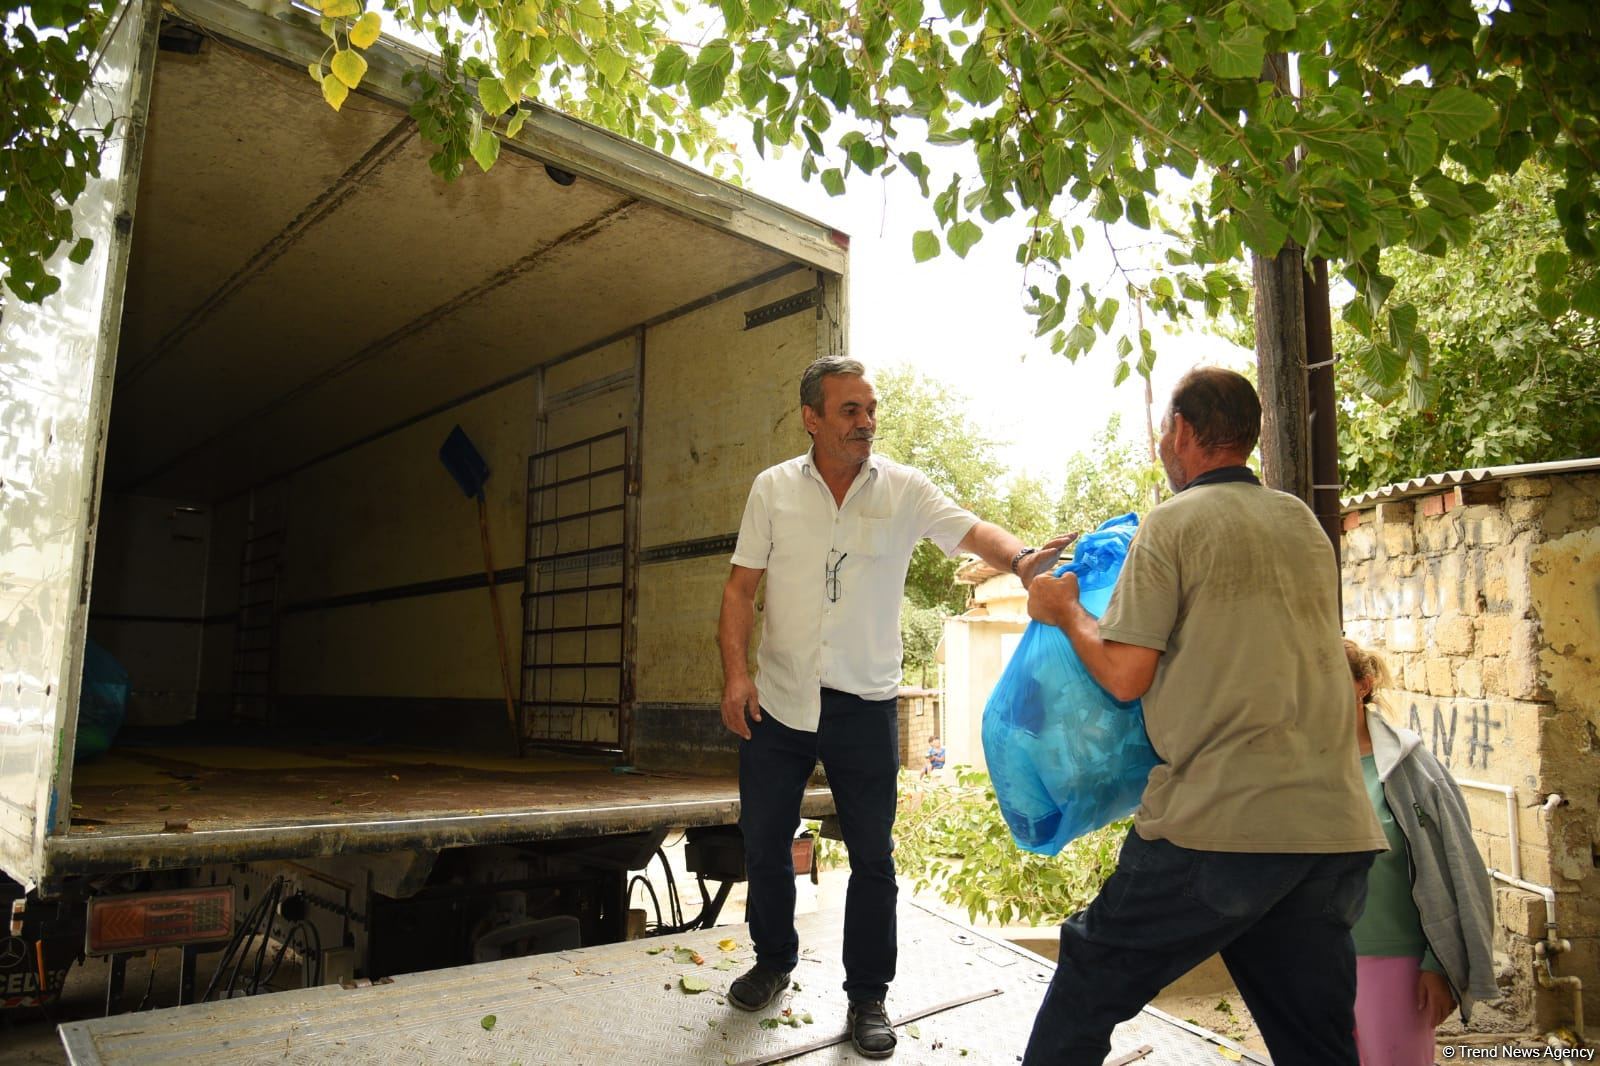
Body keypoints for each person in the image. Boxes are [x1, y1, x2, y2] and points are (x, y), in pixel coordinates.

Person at [1022, 366, 1386, 1064]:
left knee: (1090, 976)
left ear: (1183, 431)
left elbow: (1126, 677)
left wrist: (1065, 612)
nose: (1165, 440)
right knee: (1315, 1041)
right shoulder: (1301, 524)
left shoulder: (1175, 523)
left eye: (1166, 427)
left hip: (1222, 823)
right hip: (1328, 827)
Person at [718, 356, 1055, 1060]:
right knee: (765, 843)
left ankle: (868, 997)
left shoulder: (903, 490)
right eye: (849, 410)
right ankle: (773, 961)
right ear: (812, 417)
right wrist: (734, 677)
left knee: (874, 858)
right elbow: (739, 588)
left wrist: (1023, 562)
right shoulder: (773, 490)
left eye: (870, 409)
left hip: (865, 705)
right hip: (779, 701)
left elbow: (972, 531)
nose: (866, 421)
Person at [1344, 640, 1497, 1065]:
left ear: (1363, 686)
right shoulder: (1301, 768)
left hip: (1392, 962)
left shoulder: (1410, 768)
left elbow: (1456, 868)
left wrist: (1437, 963)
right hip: (1316, 960)